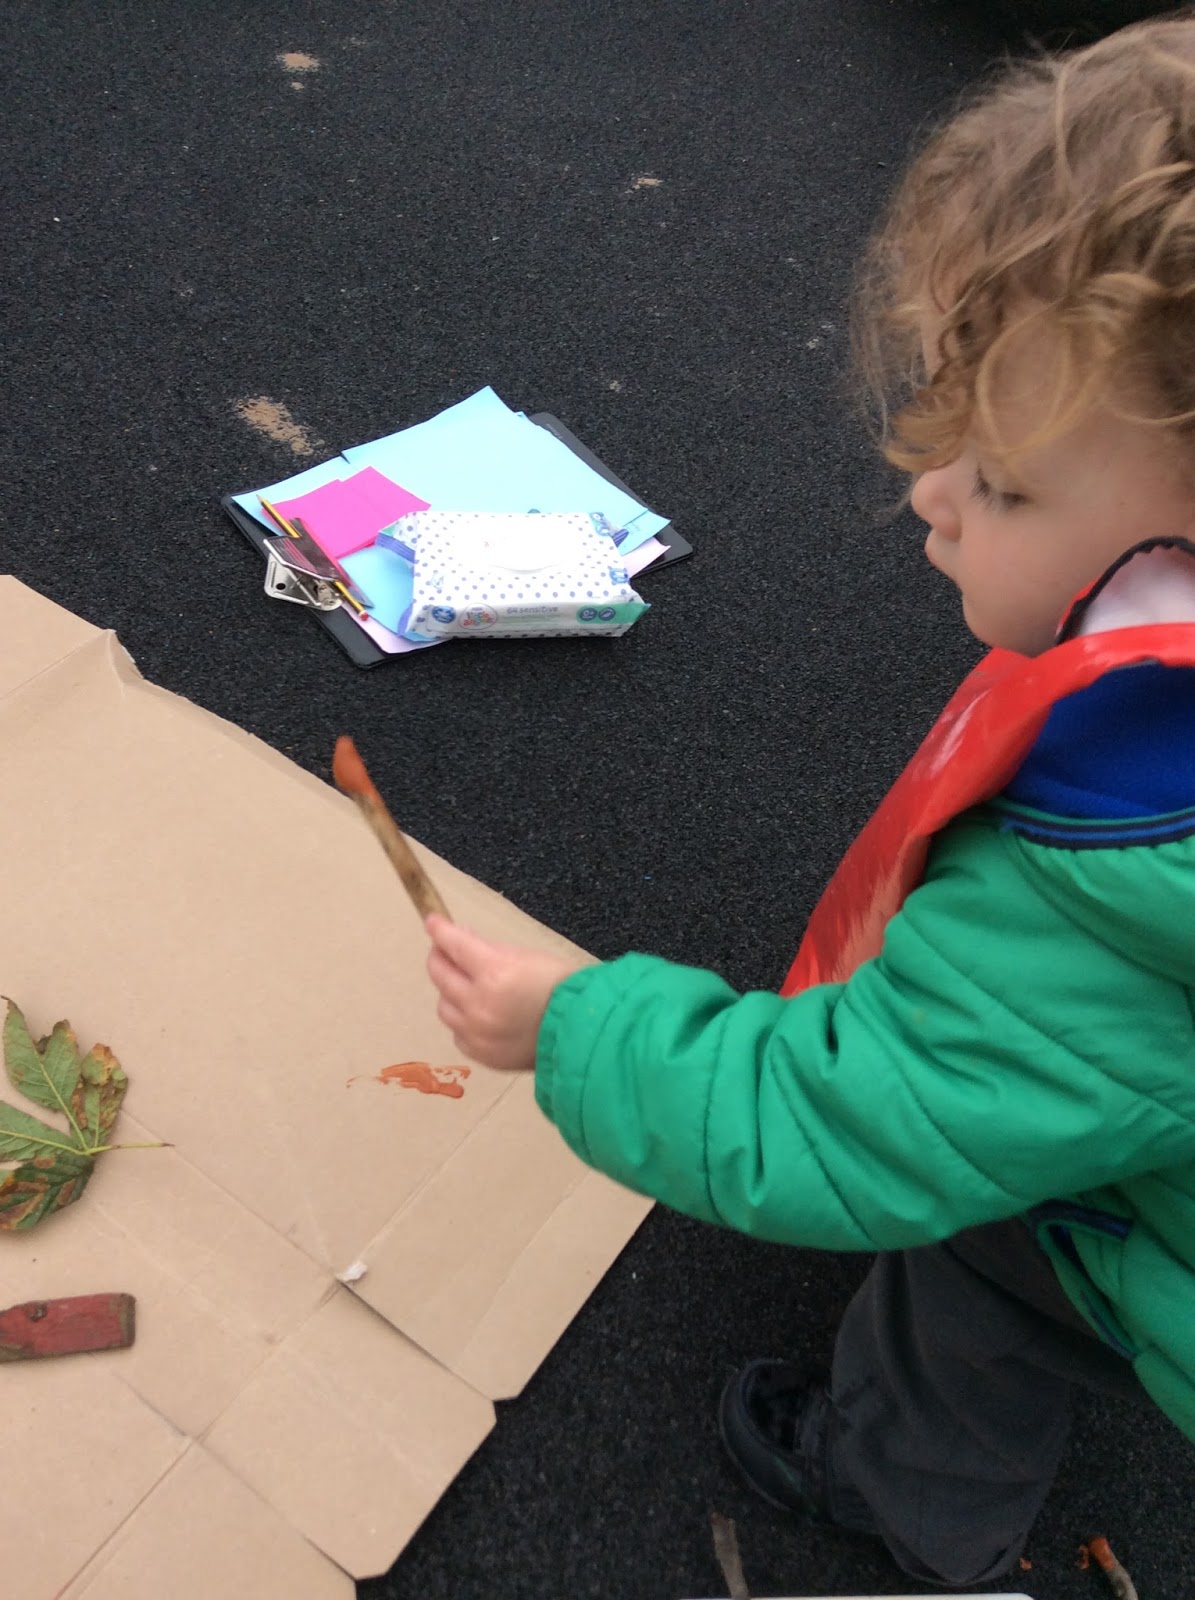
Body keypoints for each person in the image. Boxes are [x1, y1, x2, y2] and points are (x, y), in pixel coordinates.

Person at [426, 12, 1195, 1588]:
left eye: (1008, 484)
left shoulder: (1112, 889)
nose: (931, 493)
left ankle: (905, 1502)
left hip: (1142, 1221)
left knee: (981, 1252)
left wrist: (573, 1027)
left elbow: (841, 1122)